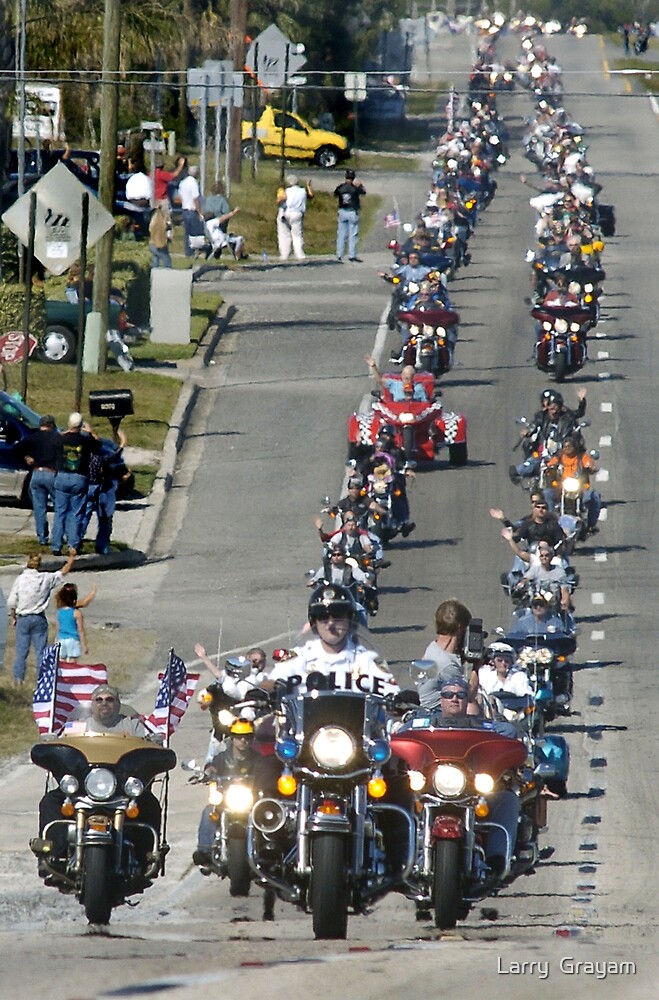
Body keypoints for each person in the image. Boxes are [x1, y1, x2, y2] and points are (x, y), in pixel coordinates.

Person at [404, 674, 521, 879]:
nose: (454, 699)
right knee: (398, 797)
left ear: (468, 699)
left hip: (470, 787)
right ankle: (400, 857)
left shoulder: (481, 726)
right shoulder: (425, 722)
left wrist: (496, 733)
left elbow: (509, 731)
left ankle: (497, 859)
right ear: (441, 699)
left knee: (507, 799)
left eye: (460, 694)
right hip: (431, 786)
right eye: (448, 694)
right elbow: (402, 735)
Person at [37, 685, 160, 870]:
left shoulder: (132, 725)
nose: (104, 704)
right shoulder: (78, 725)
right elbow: (62, 745)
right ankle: (54, 855)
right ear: (92, 704)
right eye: (99, 699)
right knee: (50, 802)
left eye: (109, 699)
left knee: (149, 804)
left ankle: (146, 858)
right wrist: (52, 741)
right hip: (83, 787)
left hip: (121, 789)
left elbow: (147, 749)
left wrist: (155, 744)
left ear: (118, 704)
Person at [267, 584, 398, 696]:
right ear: (314, 622)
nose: (330, 624)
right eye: (323, 617)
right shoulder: (298, 658)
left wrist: (403, 699)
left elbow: (394, 693)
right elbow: (271, 682)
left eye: (338, 616)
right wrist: (261, 692)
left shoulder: (367, 660)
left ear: (350, 619)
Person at [192, 718, 261, 871]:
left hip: (251, 800)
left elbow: (267, 772)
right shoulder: (223, 757)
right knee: (210, 810)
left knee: (266, 811)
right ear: (232, 737)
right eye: (239, 736)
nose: (243, 740)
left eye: (247, 737)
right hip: (228, 798)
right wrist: (207, 773)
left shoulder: (258, 759)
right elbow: (213, 767)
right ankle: (204, 850)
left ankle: (267, 848)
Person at [7, 550, 76, 684]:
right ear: (39, 565)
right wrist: (72, 558)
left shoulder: (21, 579)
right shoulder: (45, 578)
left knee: (21, 652)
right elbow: (63, 572)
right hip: (39, 617)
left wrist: (13, 616)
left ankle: (18, 679)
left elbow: (11, 601)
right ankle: (42, 680)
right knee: (41, 652)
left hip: (23, 617)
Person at [51, 413, 102, 555]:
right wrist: (91, 431)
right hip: (79, 477)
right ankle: (73, 545)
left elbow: (54, 440)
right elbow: (99, 444)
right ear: (81, 426)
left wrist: (67, 430)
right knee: (76, 512)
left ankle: (56, 545)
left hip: (62, 476)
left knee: (60, 512)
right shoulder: (85, 441)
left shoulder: (61, 439)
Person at [546, 434, 601, 532]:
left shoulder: (581, 457)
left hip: (579, 488)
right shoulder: (559, 457)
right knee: (547, 493)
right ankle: (549, 522)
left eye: (570, 446)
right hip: (561, 488)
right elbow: (550, 464)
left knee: (594, 496)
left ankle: (591, 525)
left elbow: (589, 463)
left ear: (575, 447)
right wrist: (547, 468)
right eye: (565, 446)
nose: (567, 448)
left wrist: (592, 467)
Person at [19, 414, 60, 546]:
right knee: (59, 507)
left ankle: (42, 537)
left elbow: (16, 449)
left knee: (39, 508)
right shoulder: (57, 438)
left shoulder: (32, 438)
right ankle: (57, 537)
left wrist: (26, 457)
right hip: (52, 473)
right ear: (52, 425)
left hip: (36, 473)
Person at [514, 541, 571, 612]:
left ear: (551, 557)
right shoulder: (534, 569)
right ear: (539, 557)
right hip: (536, 605)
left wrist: (564, 603)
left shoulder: (560, 572)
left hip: (554, 607)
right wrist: (522, 583)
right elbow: (526, 579)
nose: (544, 558)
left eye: (547, 555)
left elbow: (564, 591)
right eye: (542, 556)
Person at [55, 582, 96, 661]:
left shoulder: (59, 612)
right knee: (72, 665)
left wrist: (56, 640)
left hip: (61, 640)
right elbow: (80, 630)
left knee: (61, 664)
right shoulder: (76, 613)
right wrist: (84, 645)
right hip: (73, 640)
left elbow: (58, 627)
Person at [203, 181, 244, 260]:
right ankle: (235, 254)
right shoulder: (222, 200)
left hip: (208, 223)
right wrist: (233, 212)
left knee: (212, 238)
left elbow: (204, 210)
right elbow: (226, 212)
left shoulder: (207, 199)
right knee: (222, 235)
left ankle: (211, 252)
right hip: (219, 222)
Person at [276, 174, 313, 261]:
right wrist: (308, 186)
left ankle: (284, 254)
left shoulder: (286, 191)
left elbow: (281, 200)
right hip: (298, 213)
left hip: (286, 212)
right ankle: (299, 254)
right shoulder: (302, 191)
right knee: (297, 235)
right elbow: (311, 196)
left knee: (284, 234)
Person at [334, 168, 366, 262]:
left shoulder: (341, 187)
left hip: (342, 210)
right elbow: (363, 192)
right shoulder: (355, 188)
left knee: (341, 234)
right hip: (352, 211)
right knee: (353, 234)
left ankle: (339, 254)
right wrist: (361, 186)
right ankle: (352, 255)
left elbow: (335, 193)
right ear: (353, 178)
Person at [365, 357, 430, 402]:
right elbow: (380, 380)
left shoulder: (419, 388)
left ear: (413, 377)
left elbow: (425, 404)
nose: (405, 380)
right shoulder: (394, 384)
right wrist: (373, 366)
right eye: (404, 376)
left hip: (414, 413)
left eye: (408, 378)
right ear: (401, 375)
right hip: (397, 412)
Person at [178, 164, 203, 257]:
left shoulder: (183, 182)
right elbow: (195, 198)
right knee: (195, 232)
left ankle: (188, 252)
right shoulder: (193, 183)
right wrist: (200, 212)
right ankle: (195, 251)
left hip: (184, 209)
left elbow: (180, 196)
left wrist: (184, 203)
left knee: (187, 232)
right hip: (192, 210)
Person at [148, 204, 173, 268]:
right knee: (166, 259)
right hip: (161, 244)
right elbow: (168, 231)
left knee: (155, 258)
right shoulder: (163, 221)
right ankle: (169, 272)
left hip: (152, 242)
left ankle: (154, 273)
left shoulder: (152, 219)